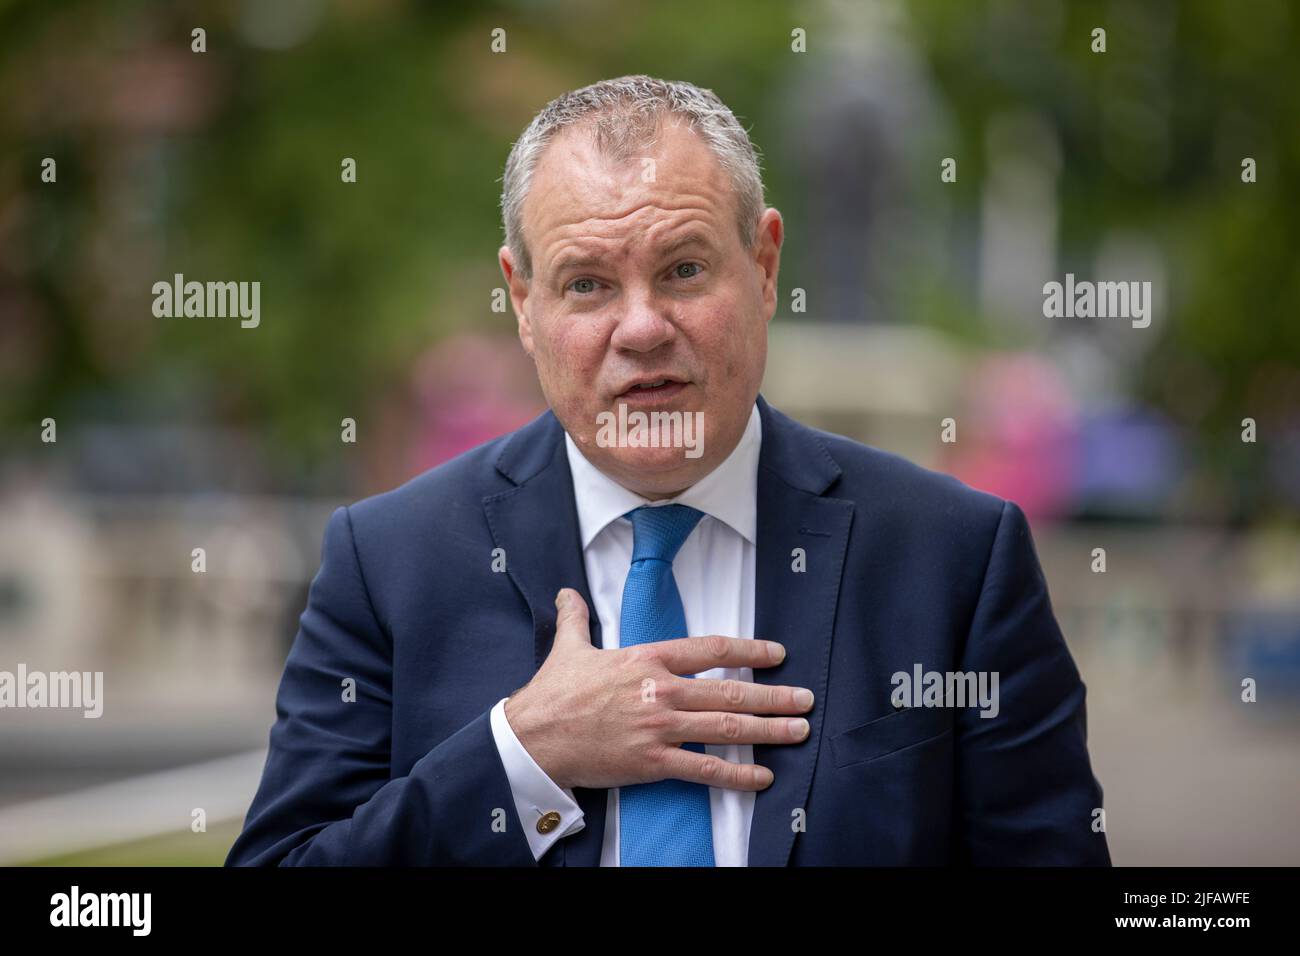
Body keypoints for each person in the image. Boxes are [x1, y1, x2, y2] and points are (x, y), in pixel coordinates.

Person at [226, 75, 1109, 866]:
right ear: (523, 303)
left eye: (683, 270)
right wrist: (521, 755)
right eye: (586, 285)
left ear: (764, 268)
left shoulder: (955, 558)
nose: (641, 327)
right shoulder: (386, 563)